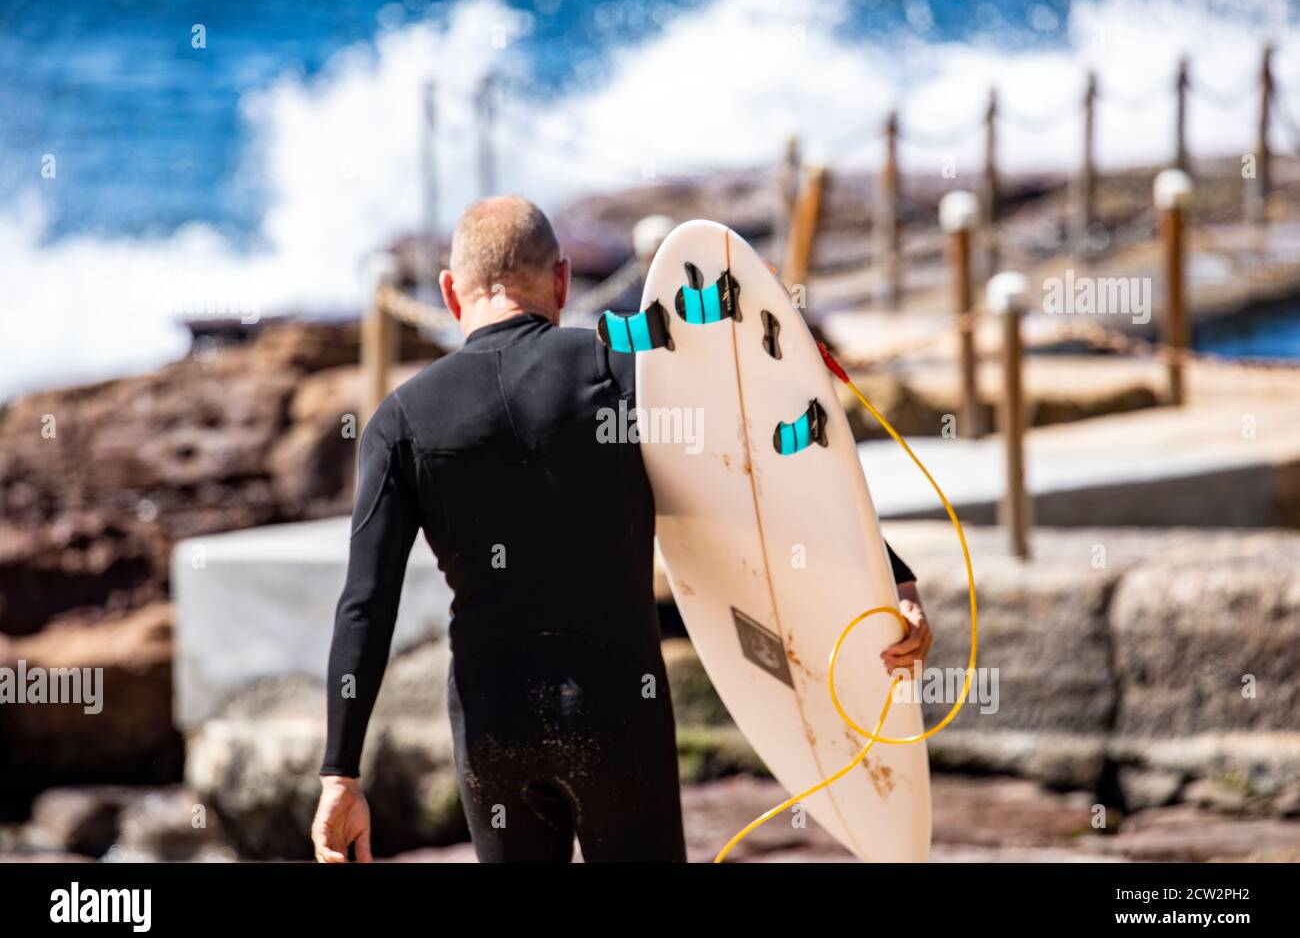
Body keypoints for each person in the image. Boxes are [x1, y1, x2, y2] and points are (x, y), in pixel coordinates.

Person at [311, 196, 933, 864]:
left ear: (448, 292)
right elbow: (762, 472)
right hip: (616, 711)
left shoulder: (399, 420)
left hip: (492, 724)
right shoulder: (619, 370)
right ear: (562, 280)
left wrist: (340, 774)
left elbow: (366, 604)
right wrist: (890, 580)